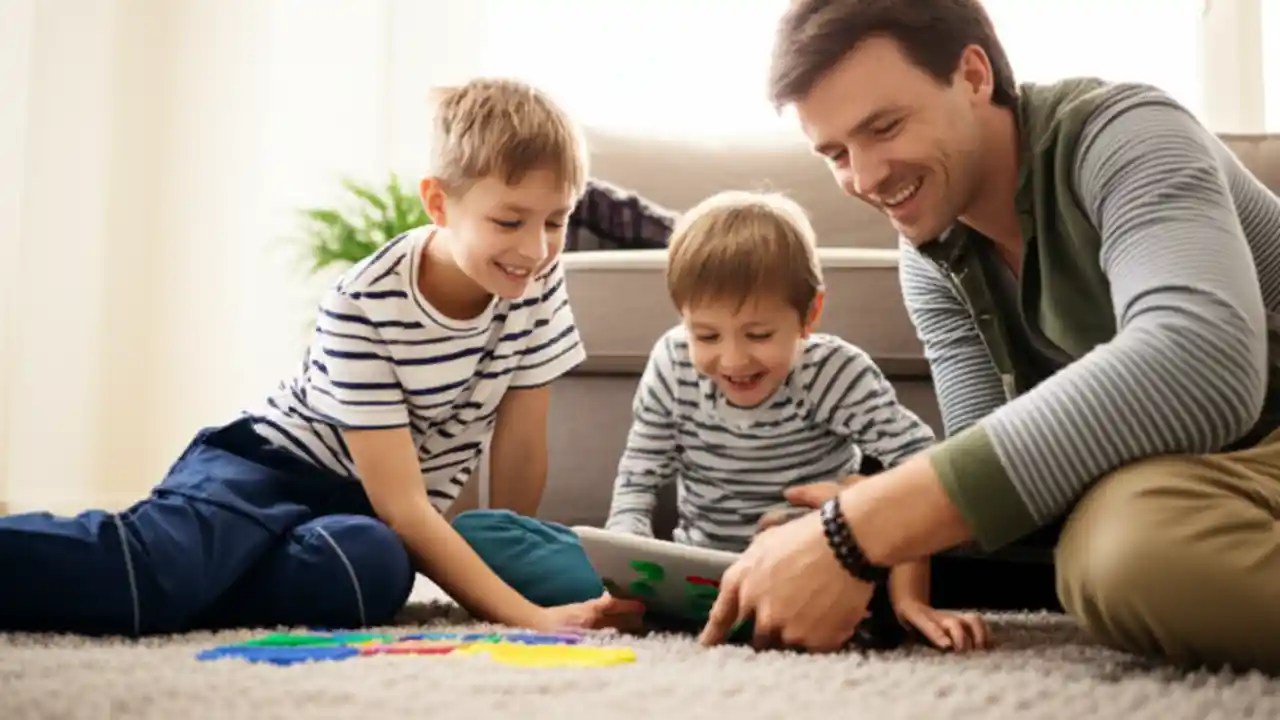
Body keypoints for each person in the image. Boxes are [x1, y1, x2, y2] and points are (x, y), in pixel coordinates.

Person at [699, 0, 1280, 675]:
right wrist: (879, 523)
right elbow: (1003, 478)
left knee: (1127, 551)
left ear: (973, 75)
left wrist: (862, 531)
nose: (865, 177)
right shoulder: (930, 256)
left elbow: (1201, 365)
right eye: (835, 153)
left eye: (884, 126)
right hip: (1211, 478)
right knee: (1096, 538)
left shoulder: (1128, 133)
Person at [0, 77, 642, 636]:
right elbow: (405, 504)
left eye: (556, 221)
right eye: (509, 222)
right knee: (151, 578)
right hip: (268, 469)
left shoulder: (536, 285)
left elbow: (521, 446)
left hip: (357, 511)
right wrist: (524, 615)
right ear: (440, 202)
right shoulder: (365, 300)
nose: (535, 248)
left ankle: (203, 586)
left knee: (369, 574)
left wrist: (512, 565)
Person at [602, 189, 988, 651]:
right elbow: (639, 474)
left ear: (809, 315)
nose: (733, 359)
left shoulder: (834, 373)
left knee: (870, 617)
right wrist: (623, 561)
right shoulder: (672, 361)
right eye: (705, 334)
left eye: (759, 334)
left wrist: (910, 598)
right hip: (704, 574)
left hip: (812, 572)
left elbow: (922, 468)